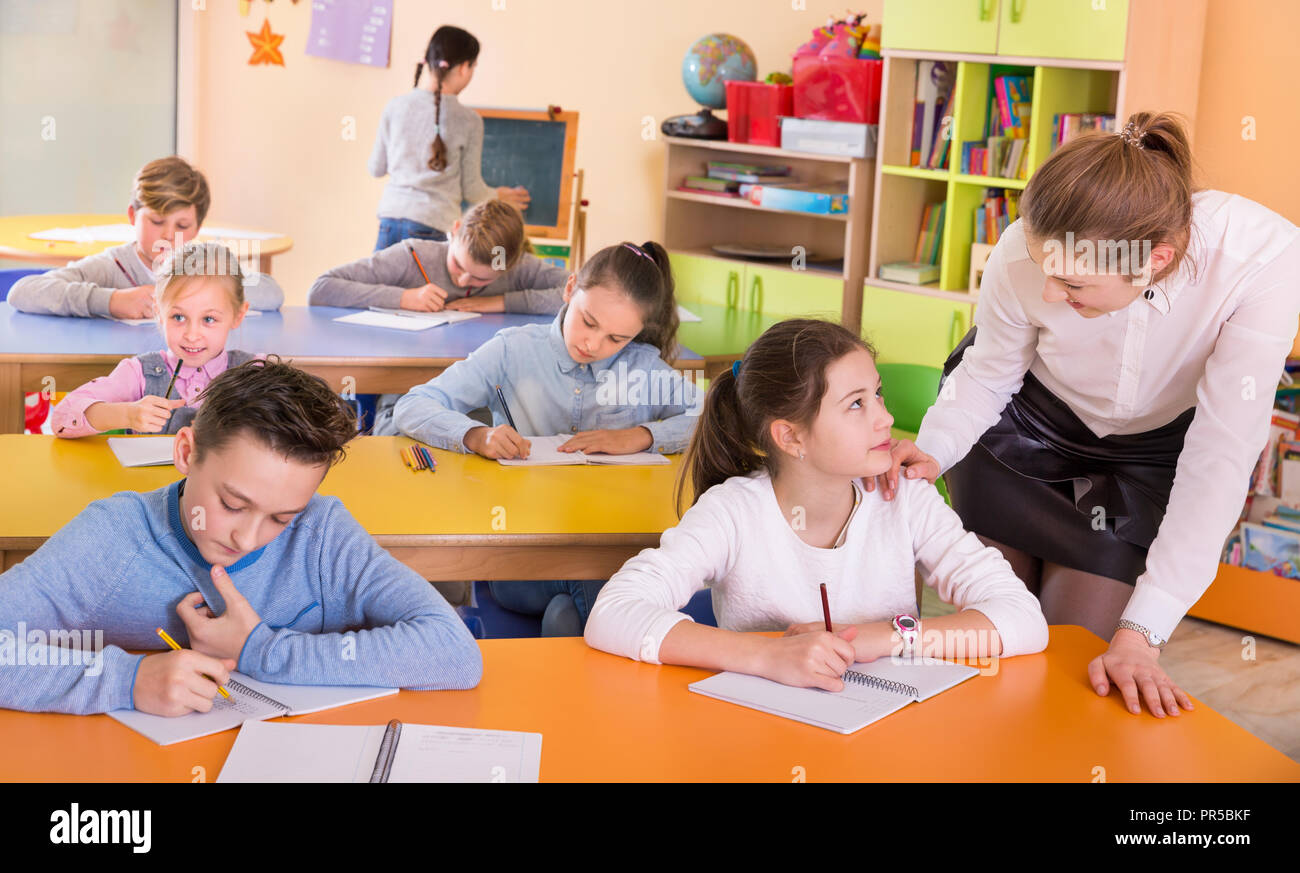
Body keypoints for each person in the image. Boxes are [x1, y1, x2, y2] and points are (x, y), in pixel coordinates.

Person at [876, 111, 1300, 717]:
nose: (1050, 294)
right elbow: (990, 371)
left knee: (1072, 677)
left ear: (1156, 259)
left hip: (1146, 460)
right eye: (1044, 269)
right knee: (996, 650)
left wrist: (1143, 634)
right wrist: (935, 448)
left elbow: (1220, 456)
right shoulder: (1027, 247)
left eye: (1073, 284)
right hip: (1019, 430)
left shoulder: (1263, 262)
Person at [0, 357, 483, 716]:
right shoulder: (113, 538)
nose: (249, 538)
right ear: (186, 452)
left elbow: (454, 653)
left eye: (281, 517)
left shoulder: (322, 534)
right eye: (233, 504)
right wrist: (126, 680)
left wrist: (261, 650)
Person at [584, 318, 1048, 685]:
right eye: (856, 404)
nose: (885, 418)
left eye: (878, 394)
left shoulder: (906, 498)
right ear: (791, 436)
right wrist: (767, 655)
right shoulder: (734, 512)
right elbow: (613, 613)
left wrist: (878, 639)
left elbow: (1024, 619)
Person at [394, 241, 702, 635]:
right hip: (519, 558)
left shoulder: (642, 364)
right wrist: (474, 434)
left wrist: (642, 436)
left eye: (617, 338)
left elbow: (711, 418)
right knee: (598, 583)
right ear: (570, 288)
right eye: (589, 322)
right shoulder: (513, 350)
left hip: (611, 545)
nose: (593, 344)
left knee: (573, 609)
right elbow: (414, 405)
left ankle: (568, 633)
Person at [8, 156, 283, 318]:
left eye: (182, 225)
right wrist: (111, 300)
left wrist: (206, 286)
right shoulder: (111, 267)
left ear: (197, 229)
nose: (167, 235)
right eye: (156, 221)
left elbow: (272, 294)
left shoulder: (206, 265)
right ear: (132, 216)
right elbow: (23, 293)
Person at [51, 241, 256, 437]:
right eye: (178, 317)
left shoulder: (255, 372)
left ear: (238, 315)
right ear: (158, 311)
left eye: (209, 319)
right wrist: (127, 415)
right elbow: (61, 420)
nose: (192, 335)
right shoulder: (139, 373)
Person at [368, 25, 529, 251]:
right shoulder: (469, 121)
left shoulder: (395, 107)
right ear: (464, 68)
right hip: (432, 226)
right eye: (473, 67)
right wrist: (500, 195)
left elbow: (376, 168)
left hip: (389, 221)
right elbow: (472, 191)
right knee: (428, 289)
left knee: (385, 287)